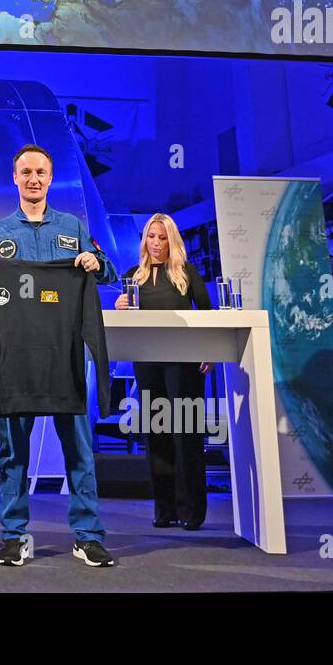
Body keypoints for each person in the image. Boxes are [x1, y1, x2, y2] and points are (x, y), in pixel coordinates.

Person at [0, 144, 119, 568]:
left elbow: (109, 271)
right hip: (13, 361)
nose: (33, 179)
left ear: (50, 178)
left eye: (41, 172)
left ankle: (87, 535)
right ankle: (14, 534)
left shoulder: (73, 227)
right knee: (12, 449)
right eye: (26, 172)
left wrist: (93, 260)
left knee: (80, 448)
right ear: (15, 178)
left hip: (66, 357)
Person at [114, 213, 214, 530]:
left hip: (184, 362)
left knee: (186, 435)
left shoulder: (186, 273)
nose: (156, 243)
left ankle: (191, 510)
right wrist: (120, 307)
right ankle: (165, 509)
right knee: (157, 435)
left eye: (162, 237)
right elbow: (128, 324)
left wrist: (209, 350)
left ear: (172, 240)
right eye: (151, 237)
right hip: (147, 363)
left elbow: (208, 315)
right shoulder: (134, 276)